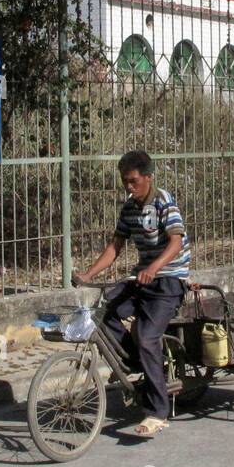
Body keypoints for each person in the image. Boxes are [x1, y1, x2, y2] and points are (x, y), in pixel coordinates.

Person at [72, 150, 190, 437]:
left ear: (148, 178)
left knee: (148, 336)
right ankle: (139, 363)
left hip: (169, 281)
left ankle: (158, 412)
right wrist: (88, 275)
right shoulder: (129, 208)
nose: (129, 186)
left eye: (134, 181)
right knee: (103, 312)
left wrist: (155, 267)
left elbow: (176, 242)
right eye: (125, 181)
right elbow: (115, 247)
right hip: (142, 278)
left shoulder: (163, 201)